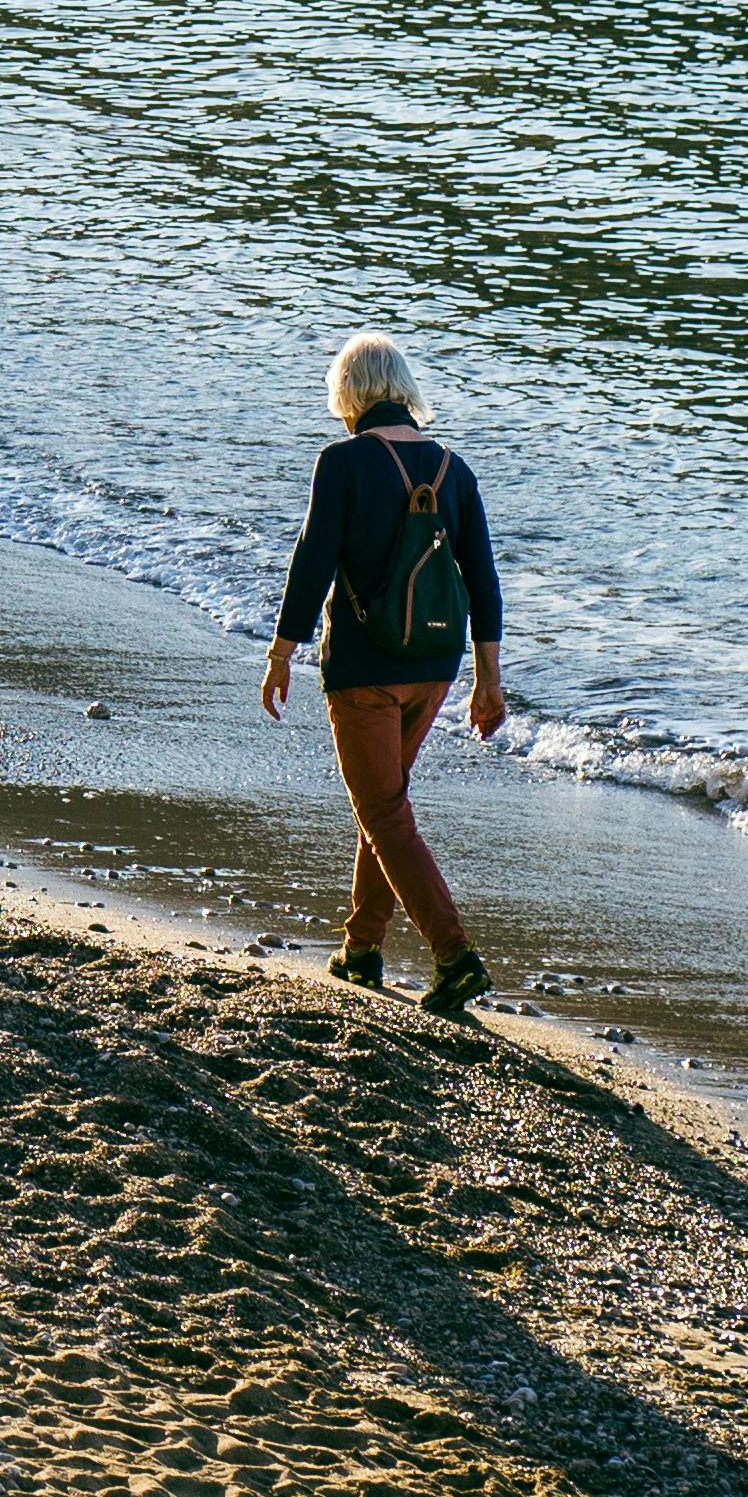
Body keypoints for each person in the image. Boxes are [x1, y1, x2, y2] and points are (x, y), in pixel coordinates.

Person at [262, 333, 504, 1011]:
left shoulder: (342, 463)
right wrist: (489, 678)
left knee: (383, 809)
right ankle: (362, 948)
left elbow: (313, 561)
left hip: (365, 664)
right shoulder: (454, 468)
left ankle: (454, 955)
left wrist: (281, 653)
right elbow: (483, 579)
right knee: (386, 803)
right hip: (435, 664)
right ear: (403, 389)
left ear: (350, 395)